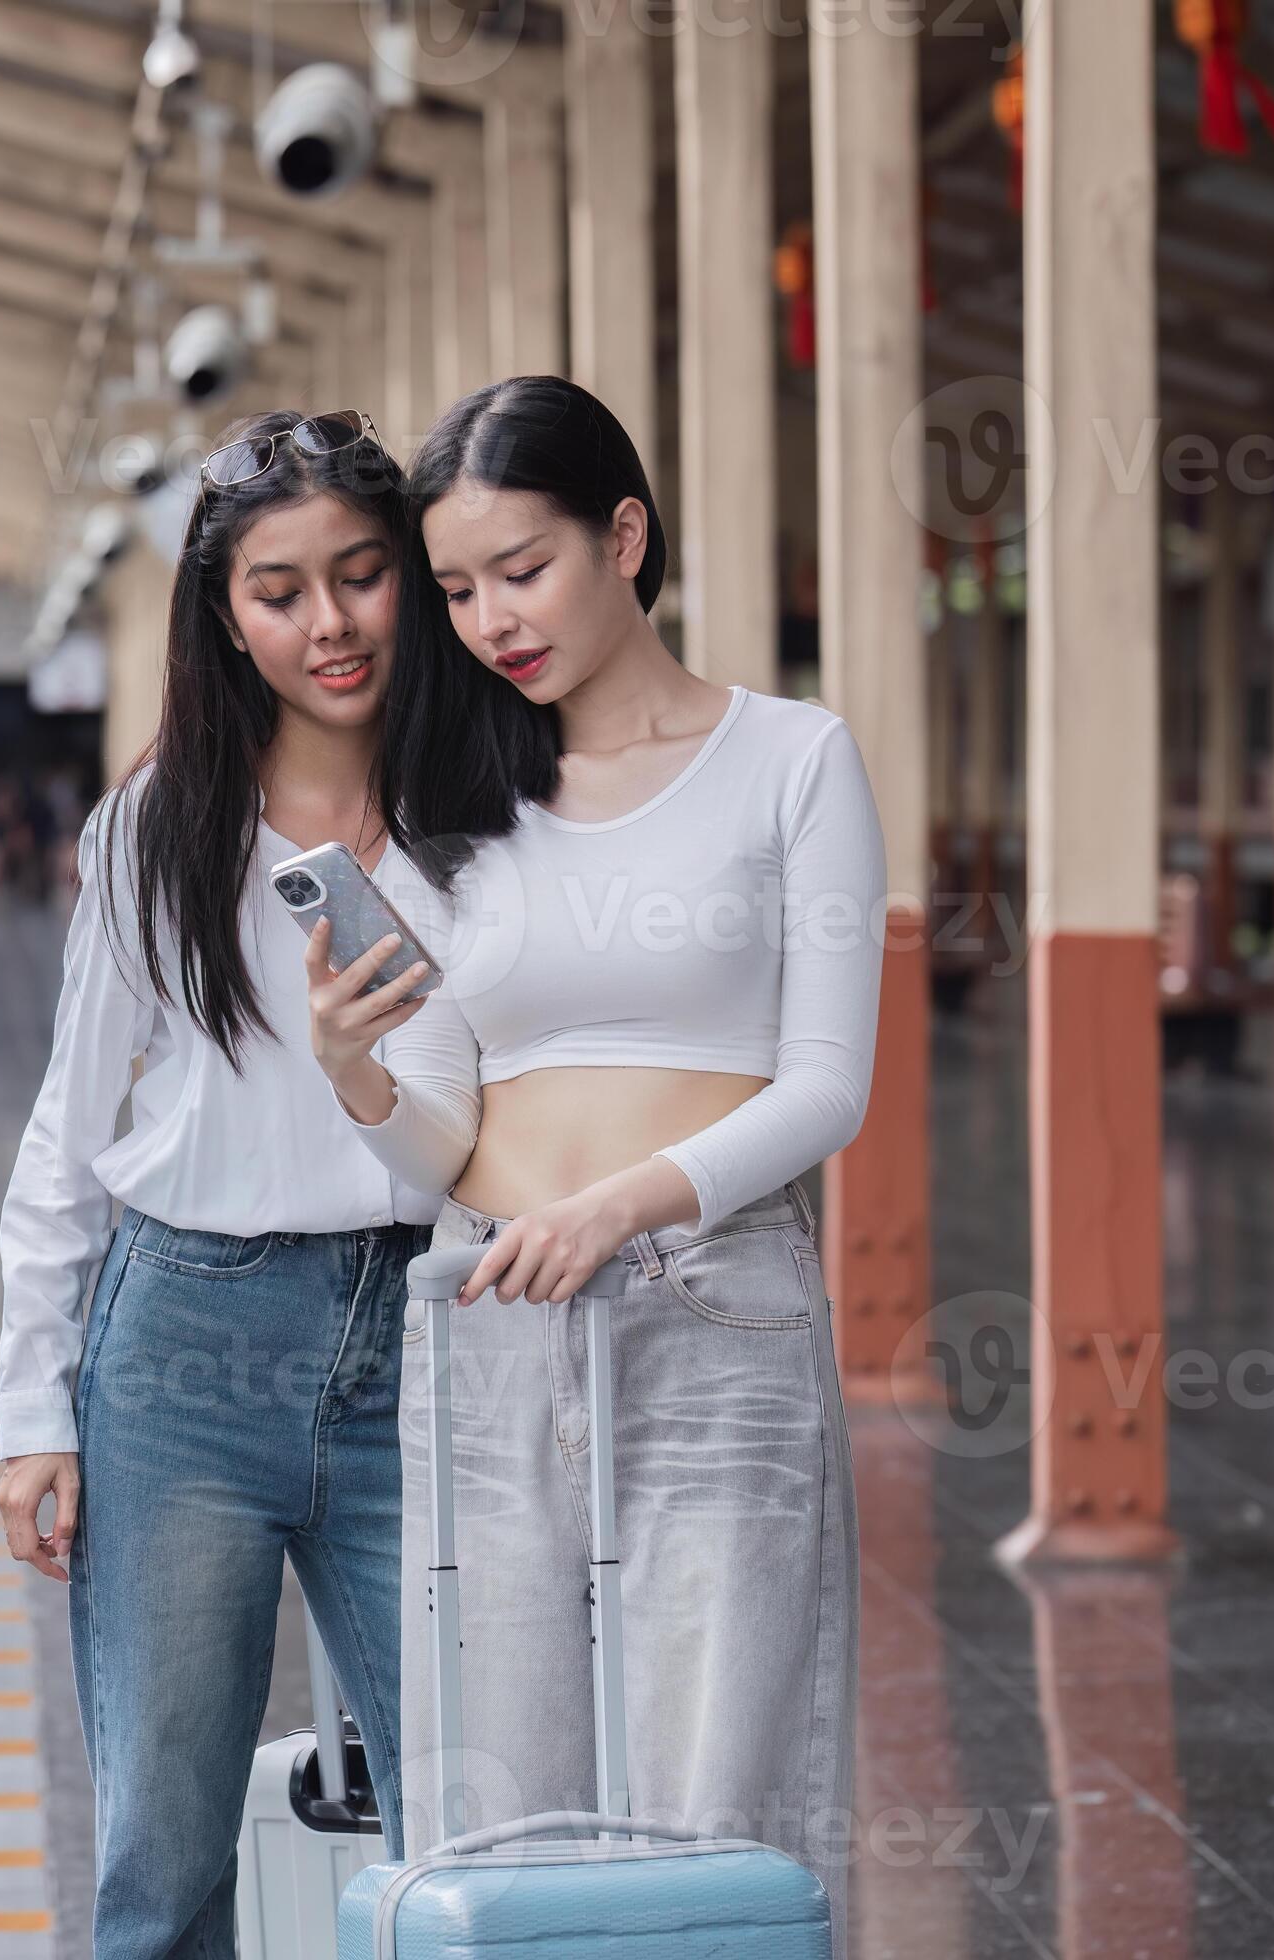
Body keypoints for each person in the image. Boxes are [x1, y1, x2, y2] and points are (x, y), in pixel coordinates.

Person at [301, 376, 883, 1945]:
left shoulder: (793, 761)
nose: (493, 619)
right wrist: (359, 1076)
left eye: (524, 568)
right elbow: (436, 1127)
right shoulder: (449, 806)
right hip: (489, 1316)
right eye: (459, 588)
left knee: (720, 1797)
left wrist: (621, 1205)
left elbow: (830, 1085)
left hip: (709, 1305)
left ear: (625, 535)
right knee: (504, 1803)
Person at [0, 409, 436, 1955]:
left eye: (364, 575)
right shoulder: (157, 831)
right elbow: (65, 1130)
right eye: (280, 590)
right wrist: (30, 1410)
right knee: (167, 1864)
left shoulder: (491, 815)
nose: (329, 623)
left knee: (474, 1822)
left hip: (428, 1344)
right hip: (182, 1349)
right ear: (224, 615)